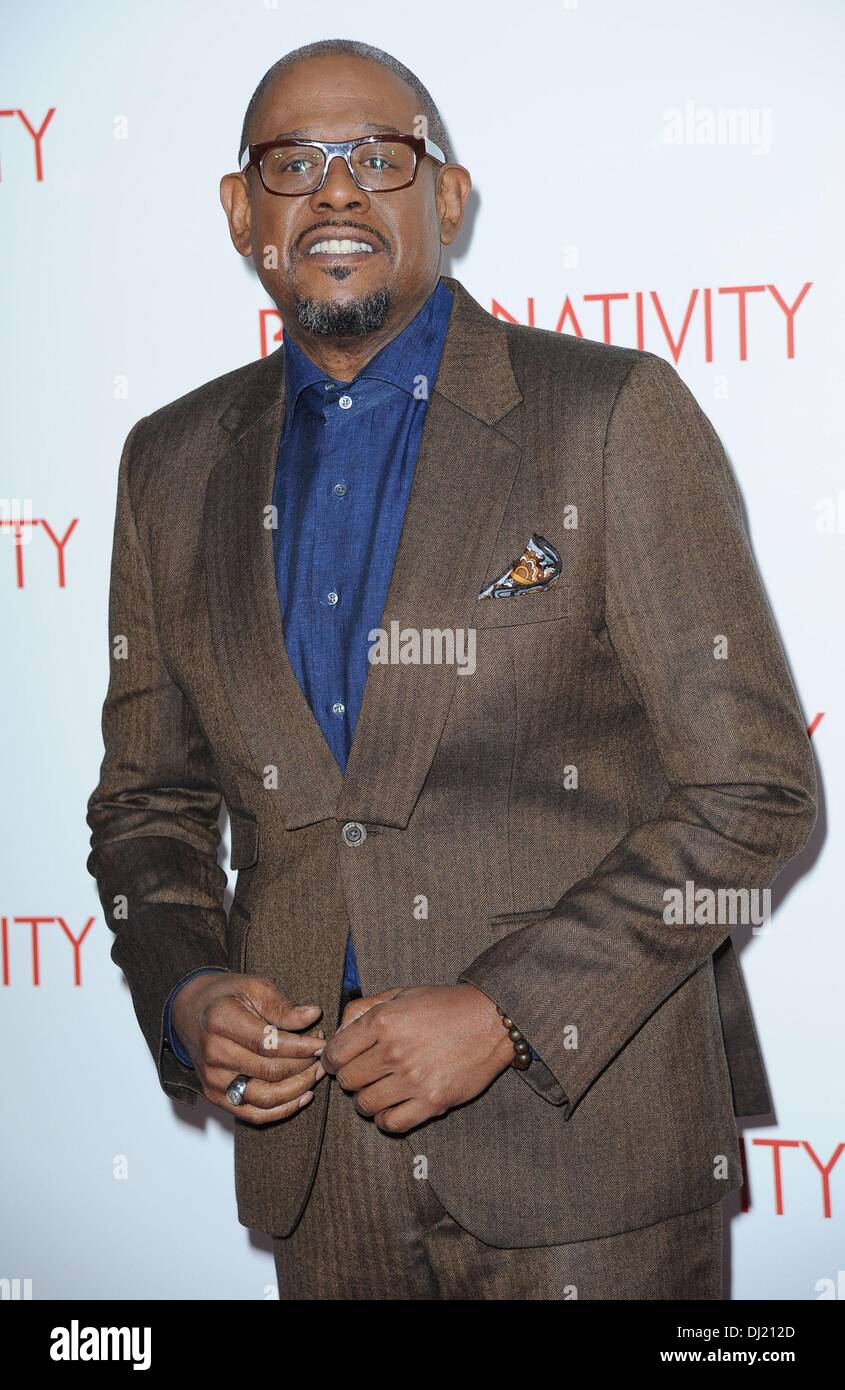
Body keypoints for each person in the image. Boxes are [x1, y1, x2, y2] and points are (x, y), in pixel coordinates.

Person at [87, 38, 817, 1300]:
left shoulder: (608, 415)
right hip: (319, 1175)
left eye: (379, 157)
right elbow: (143, 803)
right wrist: (185, 983)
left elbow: (751, 789)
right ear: (237, 210)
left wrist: (506, 1012)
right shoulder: (169, 464)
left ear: (449, 196)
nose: (334, 191)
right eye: (291, 164)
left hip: (589, 1150)